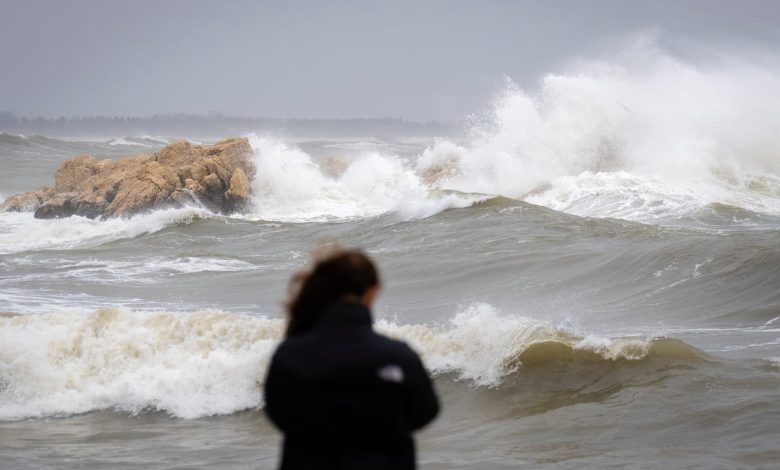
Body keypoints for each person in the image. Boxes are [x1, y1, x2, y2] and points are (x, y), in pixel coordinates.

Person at [264, 248, 439, 470]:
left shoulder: (290, 355)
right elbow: (424, 413)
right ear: (372, 292)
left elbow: (280, 416)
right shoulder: (397, 356)